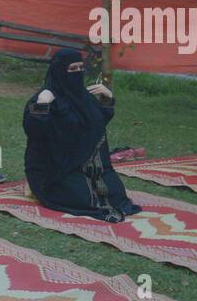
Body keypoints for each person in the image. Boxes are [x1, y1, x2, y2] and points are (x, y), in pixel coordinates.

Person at [22, 48, 141, 222]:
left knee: (116, 193)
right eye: (72, 69)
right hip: (55, 167)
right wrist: (42, 106)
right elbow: (35, 133)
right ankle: (36, 187)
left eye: (80, 68)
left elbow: (97, 123)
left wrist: (108, 98)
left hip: (86, 164)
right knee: (82, 197)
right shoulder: (45, 97)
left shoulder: (83, 97)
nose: (77, 73)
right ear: (59, 71)